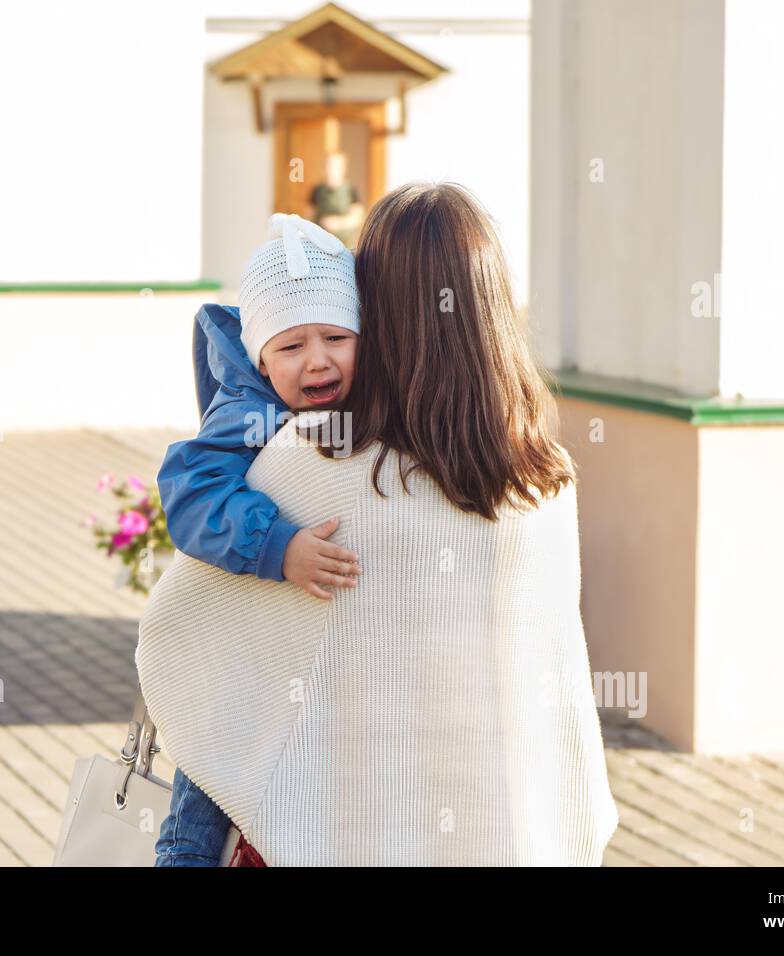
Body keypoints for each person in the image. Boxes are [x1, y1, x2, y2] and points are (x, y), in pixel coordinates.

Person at [137, 181, 620, 866]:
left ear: (378, 312)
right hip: (507, 833)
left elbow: (192, 634)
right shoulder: (548, 479)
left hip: (341, 829)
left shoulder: (316, 462)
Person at [150, 213, 364, 866]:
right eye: (291, 346)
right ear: (260, 357)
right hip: (233, 670)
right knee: (202, 804)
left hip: (298, 671)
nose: (318, 359)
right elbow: (191, 491)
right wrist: (279, 545)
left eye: (335, 337)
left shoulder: (359, 410)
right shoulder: (248, 410)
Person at [306, 152, 365, 249]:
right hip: (321, 245)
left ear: (343, 169)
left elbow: (357, 218)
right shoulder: (317, 190)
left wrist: (337, 223)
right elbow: (308, 217)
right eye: (328, 165)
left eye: (334, 166)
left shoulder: (350, 190)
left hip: (345, 245)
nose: (330, 170)